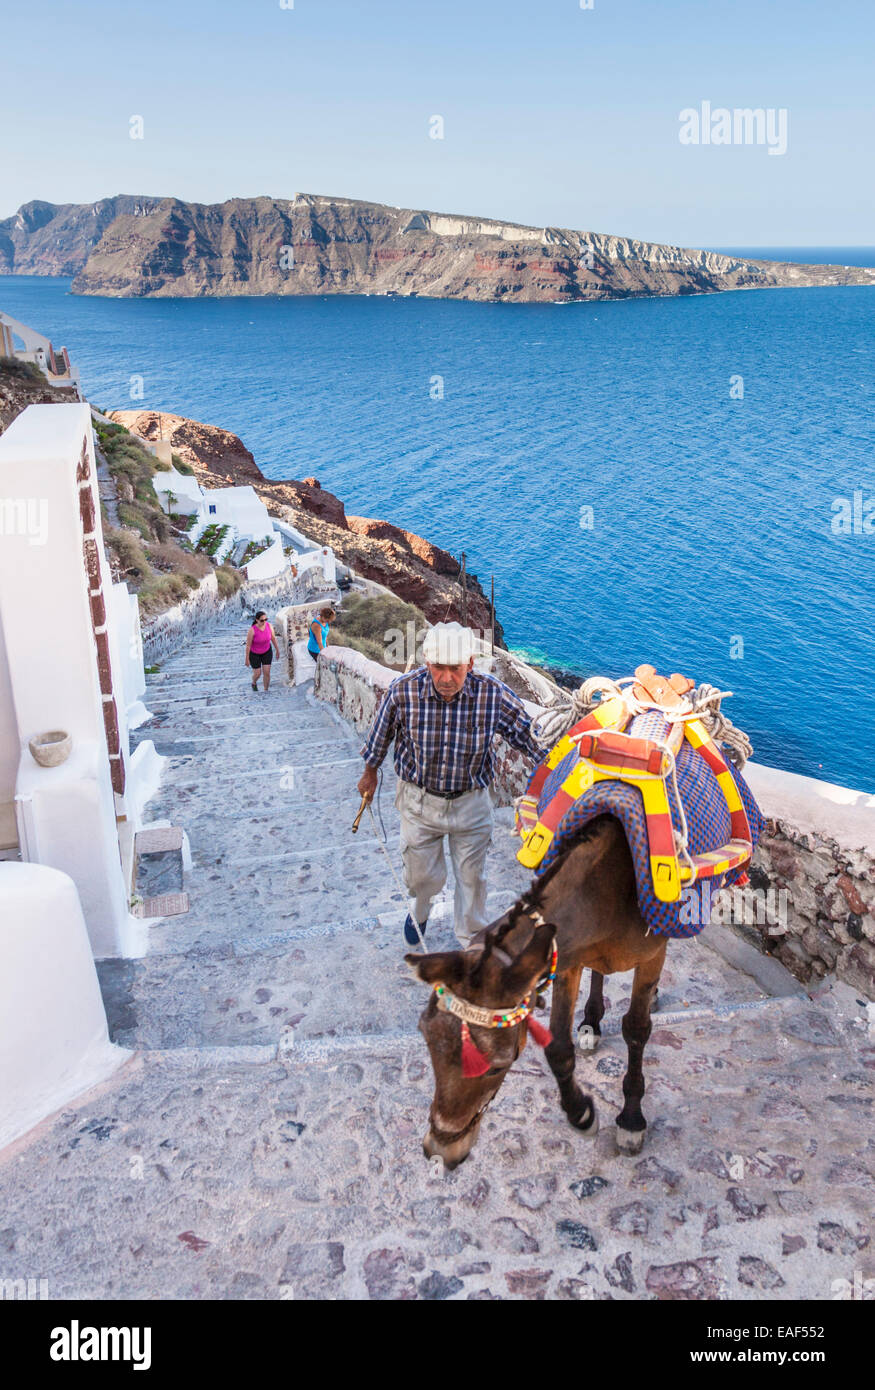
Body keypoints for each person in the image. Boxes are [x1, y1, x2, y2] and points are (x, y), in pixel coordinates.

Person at [357, 621, 543, 948]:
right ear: (427, 663)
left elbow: (530, 738)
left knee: (472, 879)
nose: (446, 678)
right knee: (421, 878)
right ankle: (422, 905)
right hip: (418, 800)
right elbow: (379, 736)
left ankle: (472, 941)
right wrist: (369, 773)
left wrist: (563, 764)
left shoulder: (492, 694)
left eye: (454, 669)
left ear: (470, 664)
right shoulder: (403, 691)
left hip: (471, 802)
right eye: (438, 668)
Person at [245, 610, 280, 691]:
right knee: (257, 674)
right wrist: (247, 659)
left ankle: (266, 690)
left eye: (265, 619)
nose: (264, 622)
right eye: (262, 620)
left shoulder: (269, 626)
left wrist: (277, 650)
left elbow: (273, 638)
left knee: (267, 673)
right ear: (257, 620)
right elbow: (248, 646)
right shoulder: (252, 630)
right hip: (254, 654)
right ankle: (254, 682)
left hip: (267, 651)